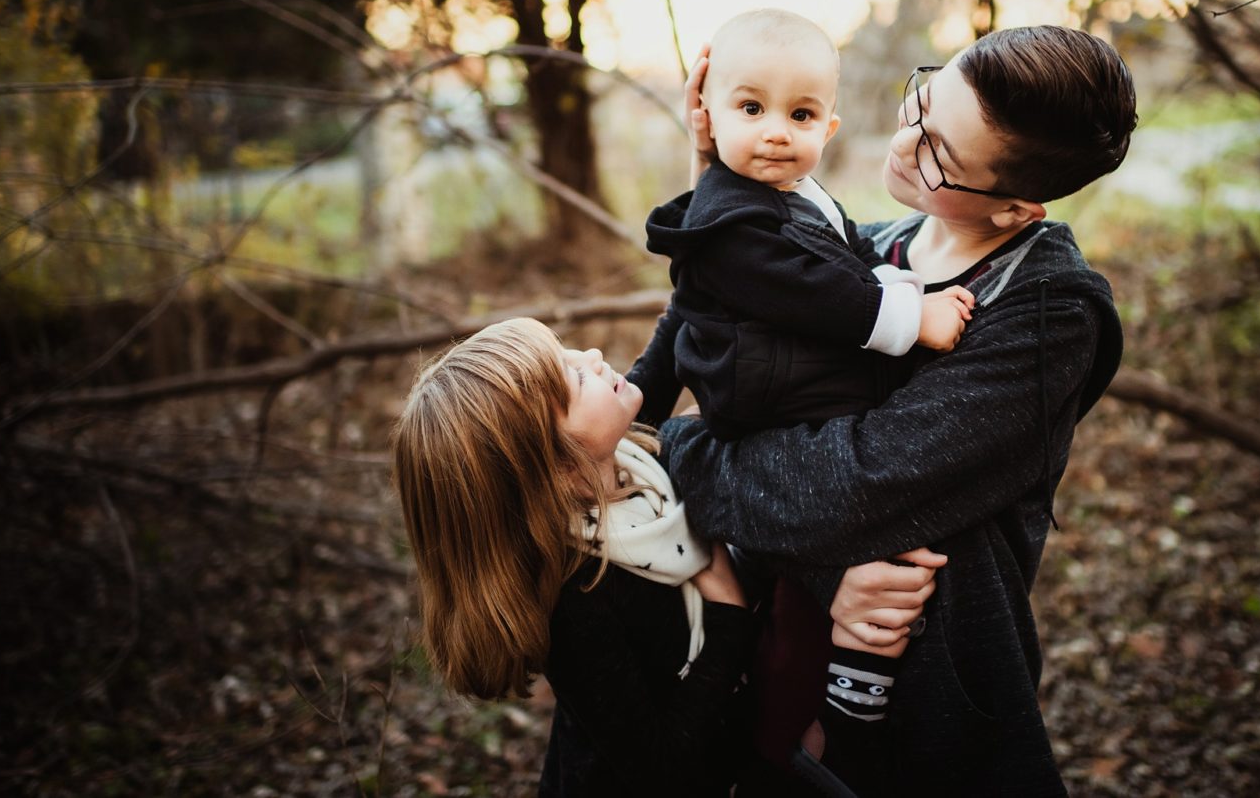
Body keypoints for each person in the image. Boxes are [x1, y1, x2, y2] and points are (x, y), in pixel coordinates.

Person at [644, 25, 1138, 795]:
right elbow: (722, 310)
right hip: (783, 647)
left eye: (940, 151)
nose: (907, 140)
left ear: (1014, 209)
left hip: (922, 700)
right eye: (923, 103)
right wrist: (720, 174)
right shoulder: (874, 247)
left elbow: (856, 482)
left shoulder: (1046, 315)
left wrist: (679, 446)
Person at [389, 317, 939, 796]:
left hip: (741, 743)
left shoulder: (628, 462)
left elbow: (664, 350)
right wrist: (724, 612)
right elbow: (662, 772)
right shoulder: (576, 600)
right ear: (554, 468)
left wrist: (709, 242)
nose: (595, 357)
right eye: (575, 377)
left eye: (570, 352)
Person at [641, 8, 976, 442]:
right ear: (707, 118)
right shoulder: (727, 226)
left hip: (789, 369)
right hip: (761, 394)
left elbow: (852, 247)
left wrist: (902, 289)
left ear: (828, 130)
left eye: (801, 115)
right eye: (751, 108)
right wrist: (913, 319)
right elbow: (811, 290)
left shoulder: (798, 188)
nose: (777, 132)